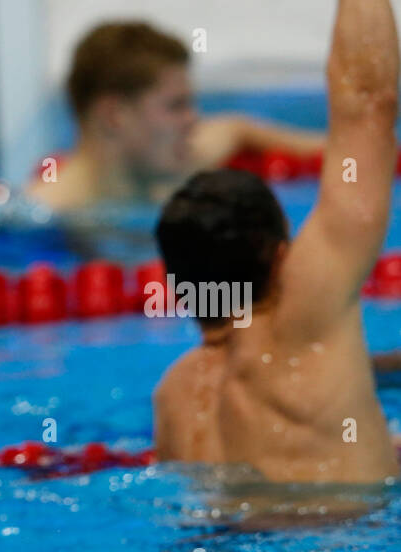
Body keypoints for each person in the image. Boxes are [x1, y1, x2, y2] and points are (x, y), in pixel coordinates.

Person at [152, 0, 400, 485]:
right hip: (350, 550)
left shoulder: (173, 398)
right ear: (281, 255)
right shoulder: (307, 324)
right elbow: (370, 102)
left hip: (222, 547)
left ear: (178, 286)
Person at [27, 21, 323, 212]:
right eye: (175, 106)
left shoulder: (181, 162)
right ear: (114, 115)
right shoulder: (46, 212)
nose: (193, 119)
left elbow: (235, 129)